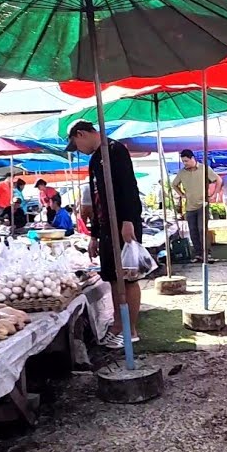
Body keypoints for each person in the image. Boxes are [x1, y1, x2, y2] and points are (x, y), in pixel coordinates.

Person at [67, 120, 144, 348]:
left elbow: (129, 188)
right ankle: (119, 325)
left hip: (123, 224)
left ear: (81, 134)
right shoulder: (94, 160)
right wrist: (94, 235)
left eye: (75, 144)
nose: (78, 150)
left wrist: (128, 220)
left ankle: (132, 330)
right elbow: (97, 197)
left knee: (128, 278)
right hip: (106, 226)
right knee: (112, 277)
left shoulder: (115, 150)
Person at [172, 149, 222, 263]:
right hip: (189, 206)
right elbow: (174, 185)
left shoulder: (204, 169)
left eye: (186, 161)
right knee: (193, 230)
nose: (185, 163)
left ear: (193, 158)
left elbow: (218, 180)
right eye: (183, 161)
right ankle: (198, 254)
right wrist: (182, 195)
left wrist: (214, 194)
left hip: (203, 205)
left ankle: (207, 253)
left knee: (202, 229)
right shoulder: (182, 172)